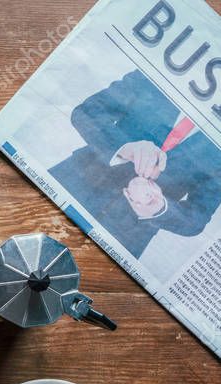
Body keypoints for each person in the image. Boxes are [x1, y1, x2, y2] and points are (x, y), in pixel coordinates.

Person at [48, 70, 221, 258]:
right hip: (74, 183)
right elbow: (87, 112)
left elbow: (197, 219)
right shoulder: (164, 69)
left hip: (127, 235)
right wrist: (122, 147)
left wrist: (160, 208)